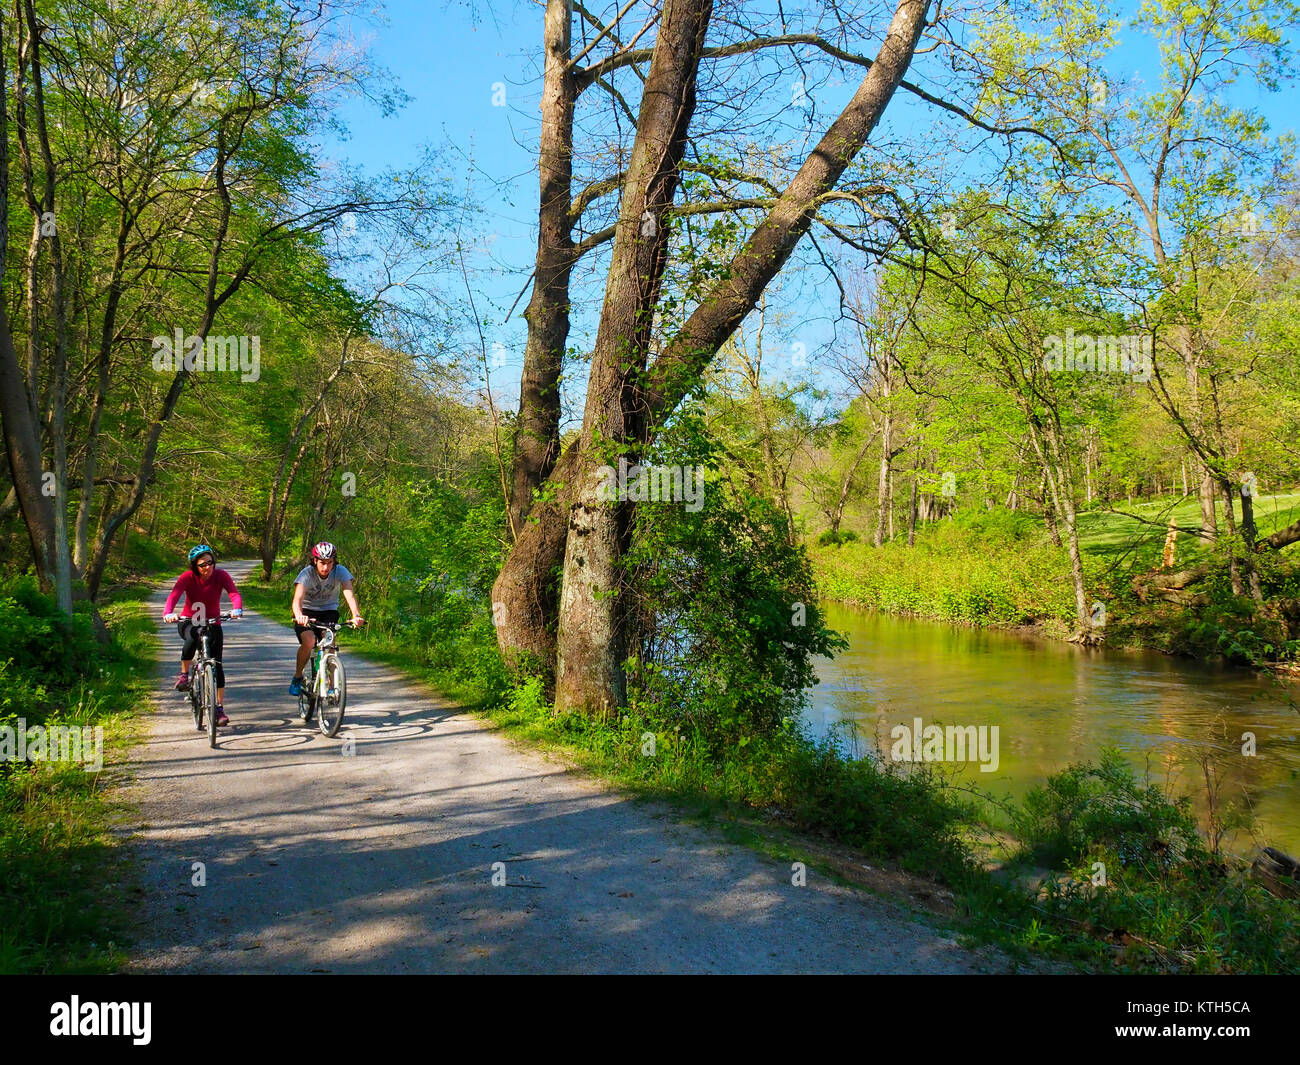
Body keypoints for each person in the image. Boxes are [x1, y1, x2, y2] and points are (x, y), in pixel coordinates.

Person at [163, 544, 243, 727]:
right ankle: (184, 675)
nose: (207, 567)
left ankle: (219, 708)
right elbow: (174, 596)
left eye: (210, 562)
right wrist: (168, 613)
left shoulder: (221, 576)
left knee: (218, 665)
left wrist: (236, 609)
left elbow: (233, 593)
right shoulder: (187, 577)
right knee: (192, 638)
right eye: (202, 565)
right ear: (194, 567)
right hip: (189, 620)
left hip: (213, 622)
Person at [289, 541, 364, 695]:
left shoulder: (341, 571)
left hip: (328, 611)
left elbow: (349, 594)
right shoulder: (306, 573)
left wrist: (356, 615)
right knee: (309, 641)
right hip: (306, 612)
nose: (326, 567)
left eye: (330, 563)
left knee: (330, 643)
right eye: (322, 563)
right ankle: (297, 677)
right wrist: (299, 616)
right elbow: (297, 600)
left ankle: (331, 686)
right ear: (315, 561)